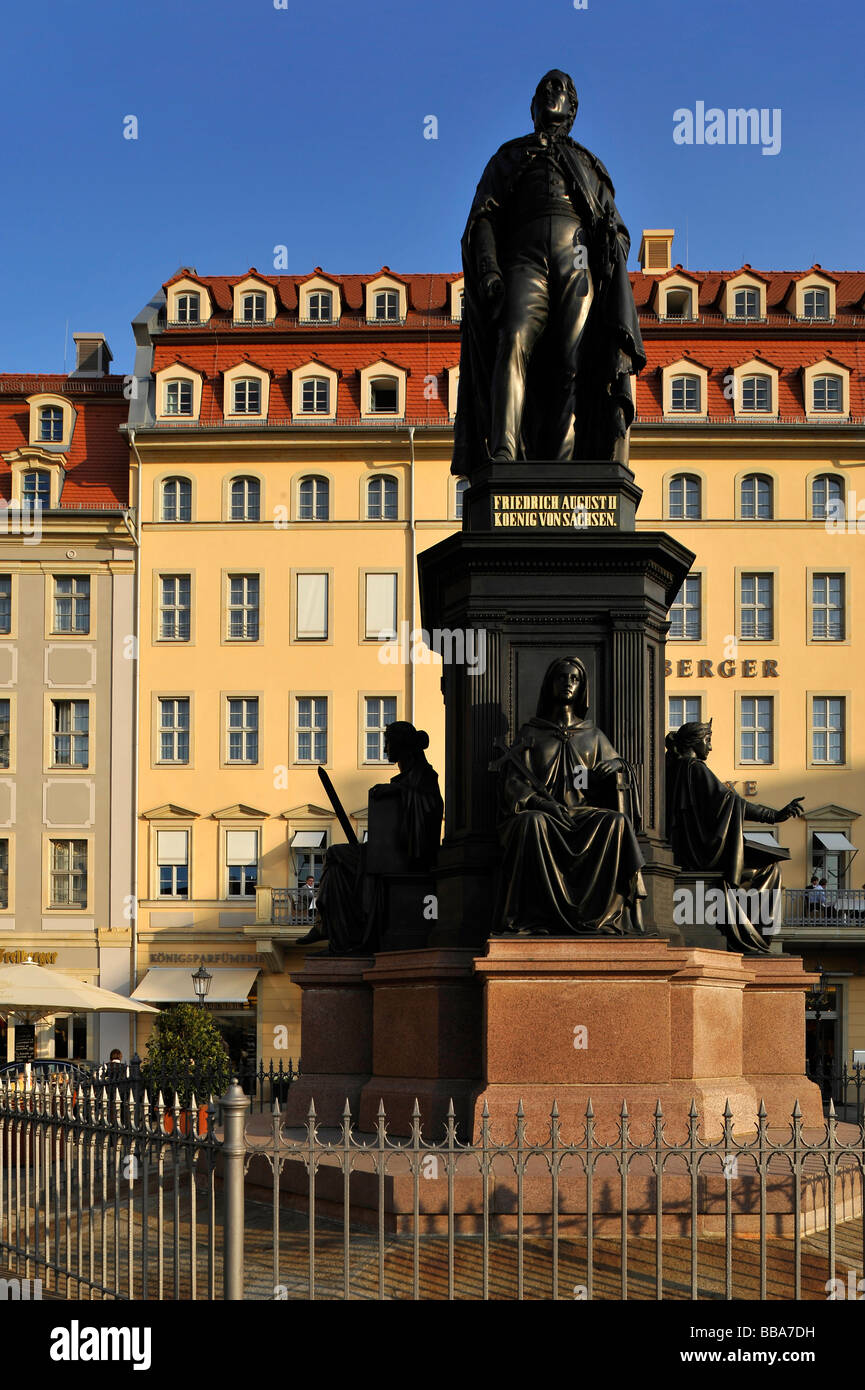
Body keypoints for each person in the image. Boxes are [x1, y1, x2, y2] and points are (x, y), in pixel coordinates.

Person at [453, 70, 646, 472]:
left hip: (576, 255)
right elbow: (483, 218)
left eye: (560, 89)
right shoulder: (508, 156)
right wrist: (488, 268)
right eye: (543, 89)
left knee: (571, 361)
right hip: (523, 256)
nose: (550, 93)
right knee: (513, 337)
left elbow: (621, 234)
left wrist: (610, 247)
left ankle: (563, 469)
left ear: (573, 107)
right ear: (533, 108)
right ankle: (504, 453)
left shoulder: (590, 165)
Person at [492, 656, 646, 936]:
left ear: (582, 687)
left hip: (581, 811)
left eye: (575, 679)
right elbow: (514, 783)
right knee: (532, 823)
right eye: (561, 677)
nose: (568, 684)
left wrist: (615, 767)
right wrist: (541, 803)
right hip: (544, 813)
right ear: (550, 684)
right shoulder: (532, 733)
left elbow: (612, 776)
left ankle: (606, 914)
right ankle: (532, 917)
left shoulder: (593, 735)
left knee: (616, 822)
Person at [299, 722, 443, 955]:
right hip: (387, 854)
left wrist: (399, 792)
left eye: (388, 742)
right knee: (336, 867)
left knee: (336, 854)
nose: (385, 748)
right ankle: (335, 936)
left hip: (407, 857)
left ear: (402, 745)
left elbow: (431, 809)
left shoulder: (424, 776)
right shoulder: (404, 780)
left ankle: (327, 928)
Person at [665, 720, 804, 953]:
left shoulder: (673, 768)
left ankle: (750, 929)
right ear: (694, 742)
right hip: (701, 853)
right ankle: (755, 936)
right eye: (707, 741)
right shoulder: (695, 768)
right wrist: (774, 816)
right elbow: (734, 803)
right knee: (770, 869)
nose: (710, 748)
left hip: (687, 848)